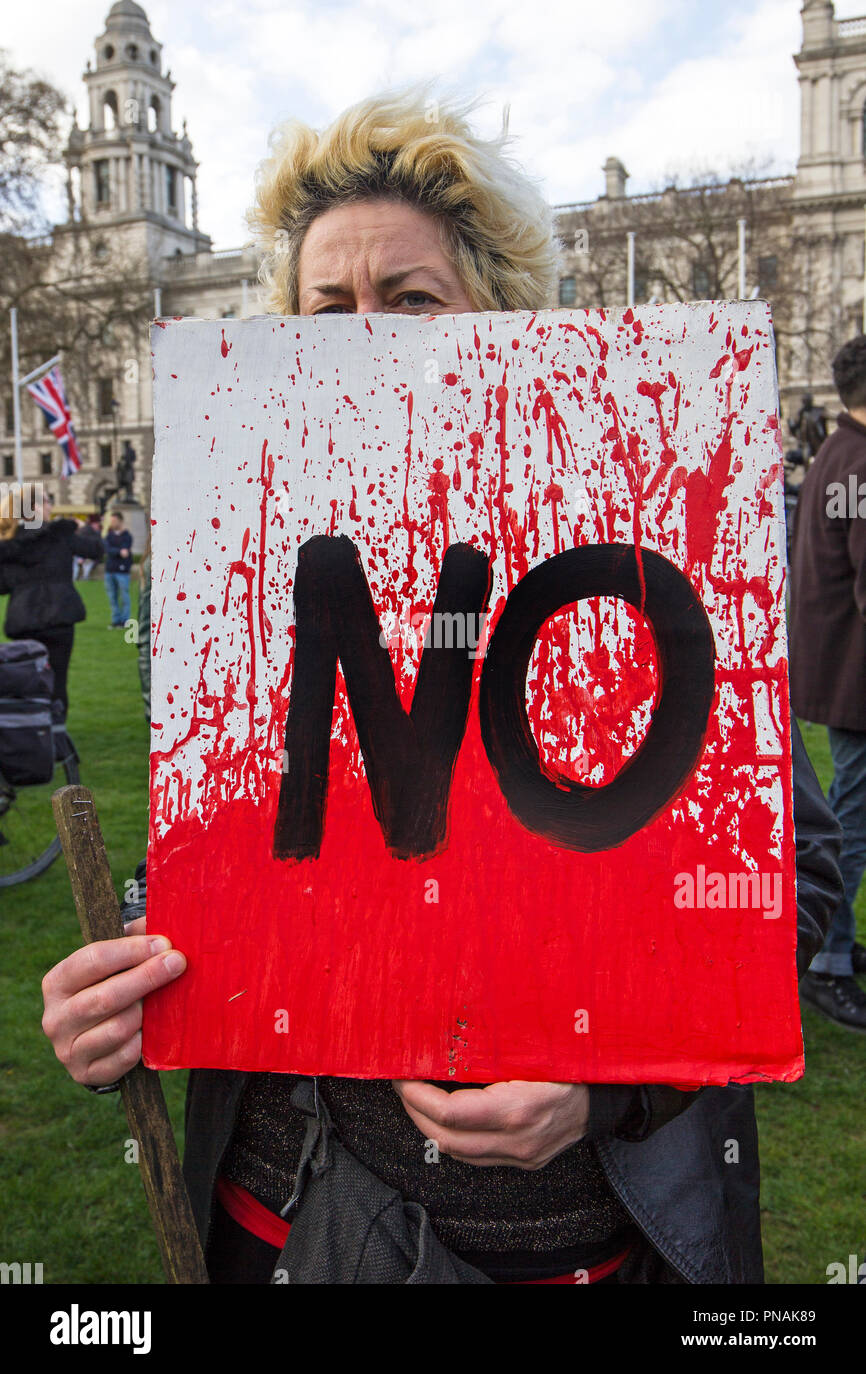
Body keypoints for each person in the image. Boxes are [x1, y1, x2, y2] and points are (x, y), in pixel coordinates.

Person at [41, 89, 843, 1285]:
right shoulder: (256, 564)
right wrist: (130, 980)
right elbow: (231, 849)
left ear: (499, 316)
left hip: (571, 1244)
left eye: (409, 299)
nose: (366, 336)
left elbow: (797, 892)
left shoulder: (630, 533)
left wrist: (610, 1088)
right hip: (291, 1219)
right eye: (329, 306)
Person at [789, 334, 866, 1031]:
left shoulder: (836, 455)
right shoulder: (860, 463)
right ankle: (830, 962)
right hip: (854, 676)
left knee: (846, 814)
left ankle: (834, 950)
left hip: (834, 667)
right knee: (852, 825)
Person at [0, 491, 104, 717]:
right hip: (59, 615)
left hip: (24, 617)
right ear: (35, 507)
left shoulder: (11, 542)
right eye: (48, 502)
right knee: (57, 677)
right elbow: (96, 550)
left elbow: (3, 585)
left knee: (28, 679)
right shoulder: (59, 535)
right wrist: (85, 528)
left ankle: (32, 732)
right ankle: (55, 732)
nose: (51, 507)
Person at [103, 509, 133, 629]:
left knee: (124, 597)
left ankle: (125, 620)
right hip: (110, 570)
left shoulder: (127, 536)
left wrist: (117, 551)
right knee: (112, 597)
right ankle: (116, 620)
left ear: (120, 521)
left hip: (122, 572)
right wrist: (118, 551)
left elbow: (125, 552)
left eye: (114, 521)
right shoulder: (109, 535)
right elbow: (108, 550)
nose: (112, 523)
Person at [74, 515, 103, 581]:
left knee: (86, 561)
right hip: (84, 556)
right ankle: (83, 577)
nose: (98, 525)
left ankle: (83, 577)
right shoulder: (89, 532)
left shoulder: (85, 531)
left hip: (87, 557)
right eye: (97, 524)